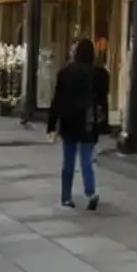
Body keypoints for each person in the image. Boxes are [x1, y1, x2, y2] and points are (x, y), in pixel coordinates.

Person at [48, 39, 108, 211]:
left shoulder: (65, 73)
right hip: (88, 121)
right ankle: (90, 192)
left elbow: (57, 100)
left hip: (69, 121)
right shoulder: (98, 74)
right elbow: (102, 101)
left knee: (68, 161)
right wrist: (103, 124)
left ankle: (66, 197)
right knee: (86, 159)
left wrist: (51, 124)